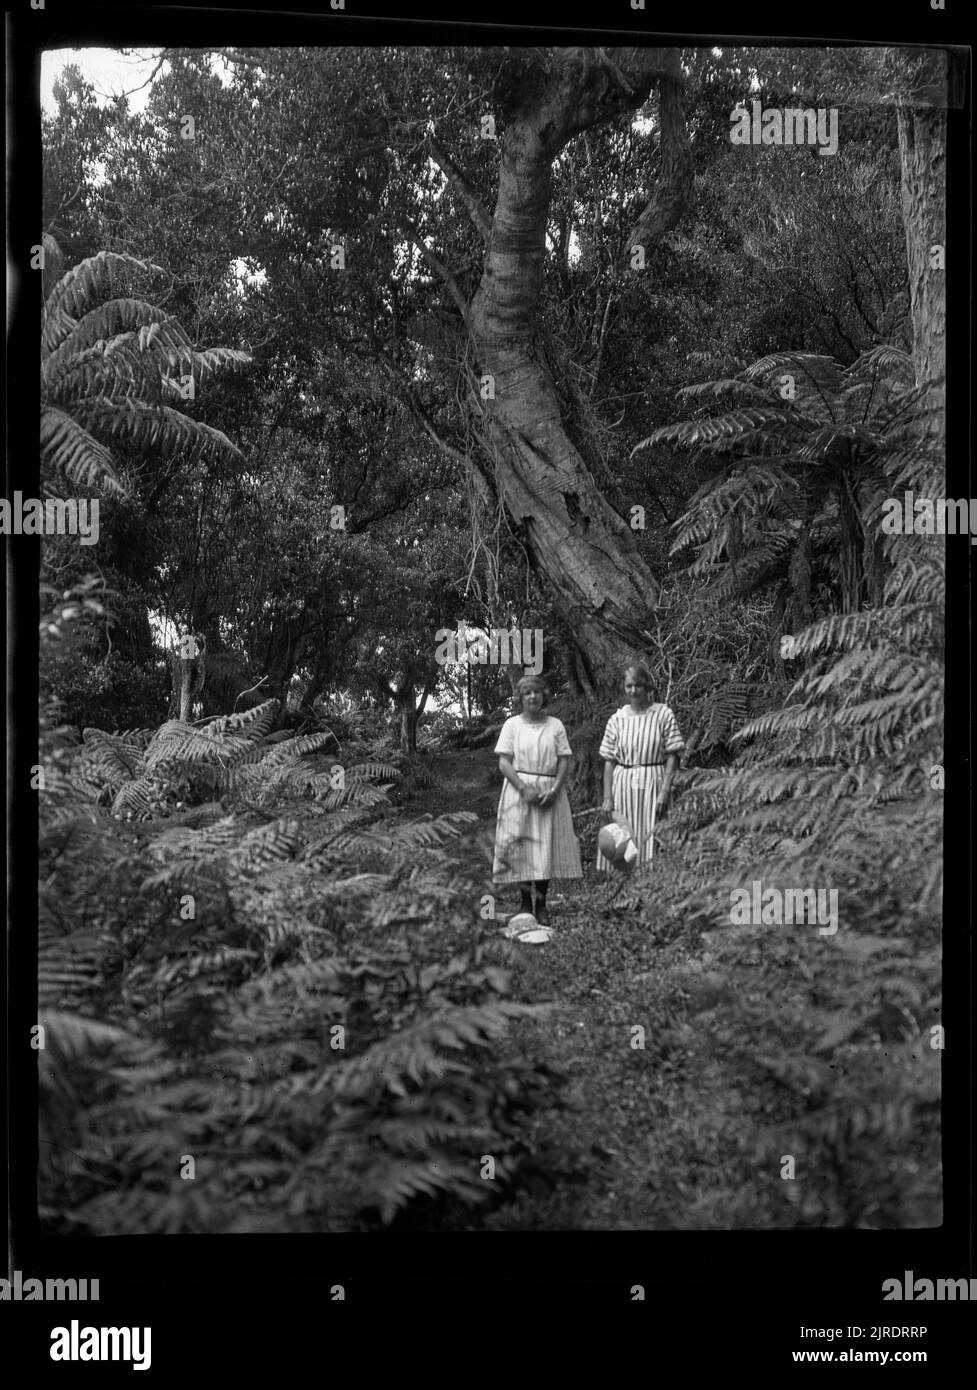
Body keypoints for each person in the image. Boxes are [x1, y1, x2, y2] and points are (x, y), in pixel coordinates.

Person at [493, 675, 582, 925]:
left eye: (537, 692)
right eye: (527, 693)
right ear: (520, 698)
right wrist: (523, 788)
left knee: (543, 846)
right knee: (523, 847)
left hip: (548, 792)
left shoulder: (555, 725)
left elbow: (564, 759)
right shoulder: (512, 725)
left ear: (544, 695)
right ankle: (524, 904)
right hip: (518, 791)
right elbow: (504, 762)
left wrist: (554, 790)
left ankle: (541, 905)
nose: (533, 697)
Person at [597, 664, 684, 871]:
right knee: (623, 836)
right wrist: (607, 797)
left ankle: (653, 886)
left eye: (637, 685)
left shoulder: (663, 714)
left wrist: (665, 790)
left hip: (654, 781)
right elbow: (609, 761)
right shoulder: (617, 719)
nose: (633, 691)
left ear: (647, 687)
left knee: (653, 833)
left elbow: (673, 754)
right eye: (629, 686)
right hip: (623, 784)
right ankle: (626, 888)